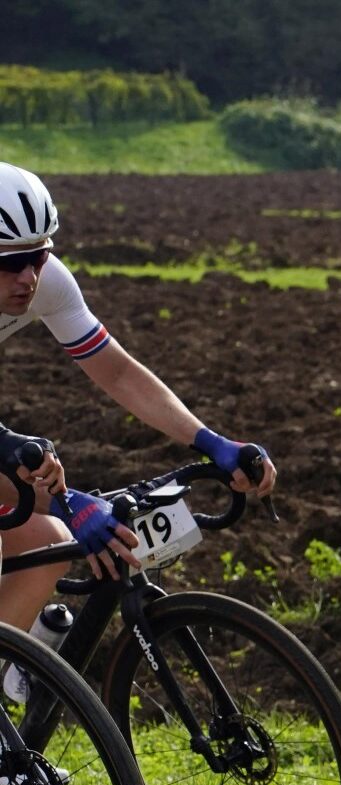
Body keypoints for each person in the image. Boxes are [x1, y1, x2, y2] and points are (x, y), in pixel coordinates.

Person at [0, 161, 275, 625]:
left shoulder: (45, 283)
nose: (28, 277)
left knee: (45, 545)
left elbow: (119, 373)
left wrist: (210, 441)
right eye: (9, 263)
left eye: (39, 256)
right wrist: (67, 500)